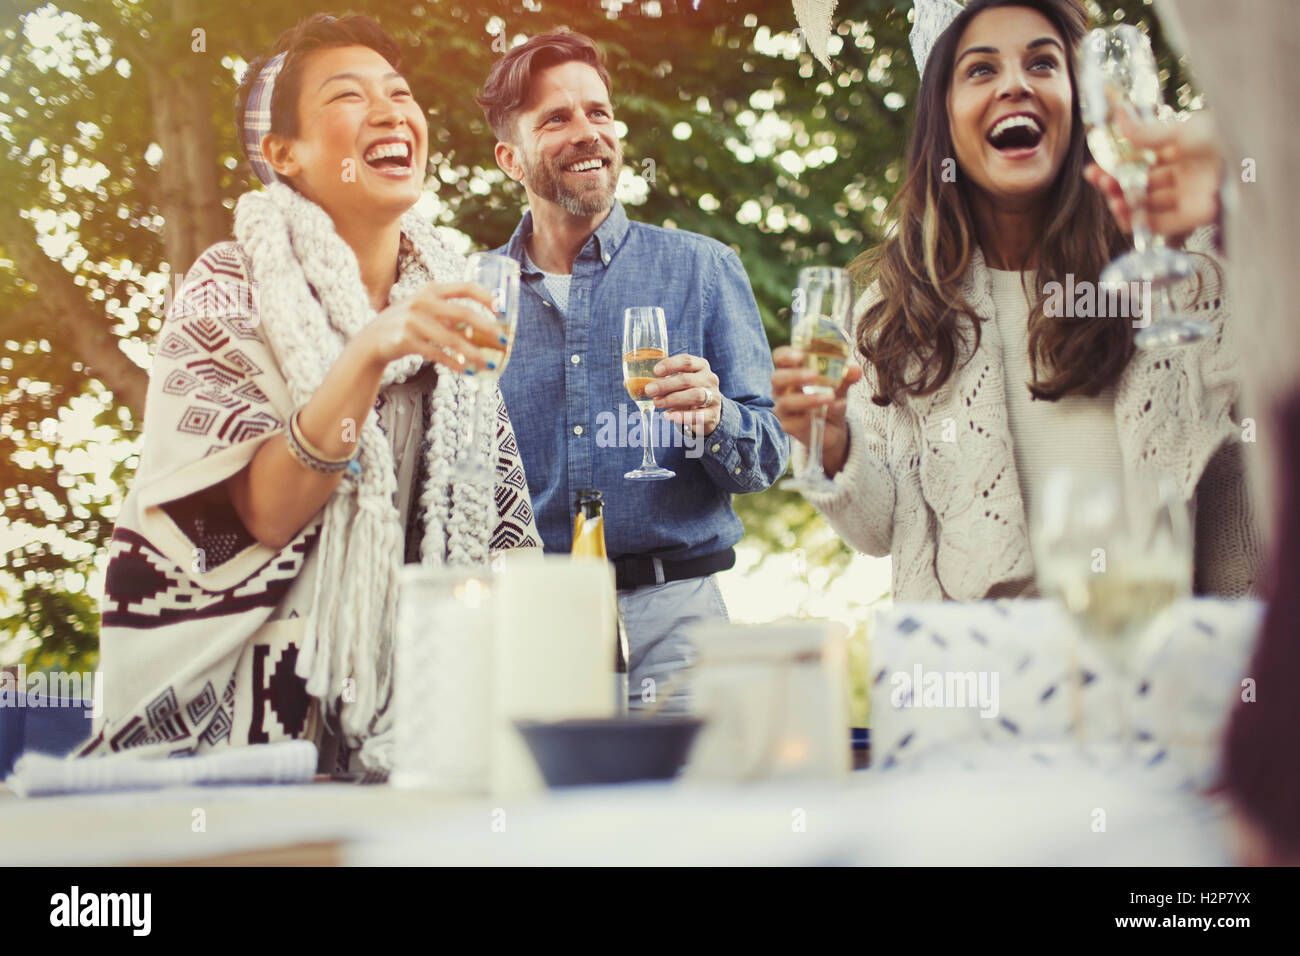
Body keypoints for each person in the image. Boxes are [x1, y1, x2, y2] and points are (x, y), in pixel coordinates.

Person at [79, 14, 541, 774]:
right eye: (348, 96)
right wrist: (368, 351)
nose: (393, 112)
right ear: (282, 154)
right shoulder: (226, 289)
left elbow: (497, 541)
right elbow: (260, 514)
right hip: (237, 742)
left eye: (400, 93)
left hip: (410, 743)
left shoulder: (450, 307)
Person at [771, 0, 1262, 601]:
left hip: (1173, 664)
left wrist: (1230, 187)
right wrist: (830, 442)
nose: (1014, 85)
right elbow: (881, 528)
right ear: (943, 116)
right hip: (990, 676)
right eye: (981, 70)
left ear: (1081, 97)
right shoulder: (897, 308)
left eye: (1042, 63)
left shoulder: (1185, 270)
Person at [475, 31, 789, 712]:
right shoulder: (474, 294)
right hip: (536, 622)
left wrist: (717, 420)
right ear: (510, 157)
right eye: (556, 119)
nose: (587, 133)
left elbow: (765, 462)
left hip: (680, 621)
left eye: (598, 112)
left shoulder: (701, 270)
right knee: (549, 813)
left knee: (696, 814)